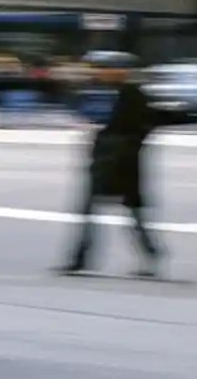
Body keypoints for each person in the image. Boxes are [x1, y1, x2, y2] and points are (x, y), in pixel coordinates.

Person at [59, 62, 168, 277]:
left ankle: (151, 254)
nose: (103, 73)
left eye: (109, 69)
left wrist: (129, 146)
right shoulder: (100, 92)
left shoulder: (132, 94)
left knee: (133, 213)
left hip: (124, 162)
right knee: (90, 211)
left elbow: (147, 124)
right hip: (104, 160)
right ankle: (79, 258)